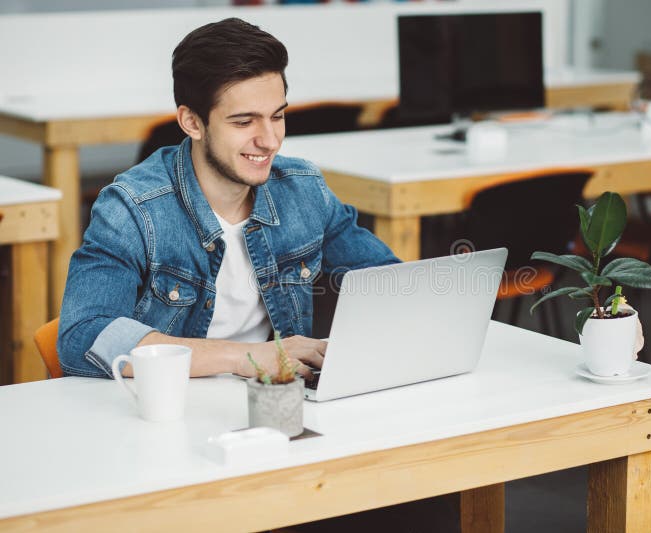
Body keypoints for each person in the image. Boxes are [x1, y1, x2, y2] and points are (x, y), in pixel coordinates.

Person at [57, 17, 398, 379]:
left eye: (277, 116)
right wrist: (246, 358)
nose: (269, 140)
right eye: (243, 122)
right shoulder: (132, 208)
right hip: (167, 413)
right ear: (192, 122)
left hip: (270, 406)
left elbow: (387, 284)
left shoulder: (303, 189)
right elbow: (83, 337)